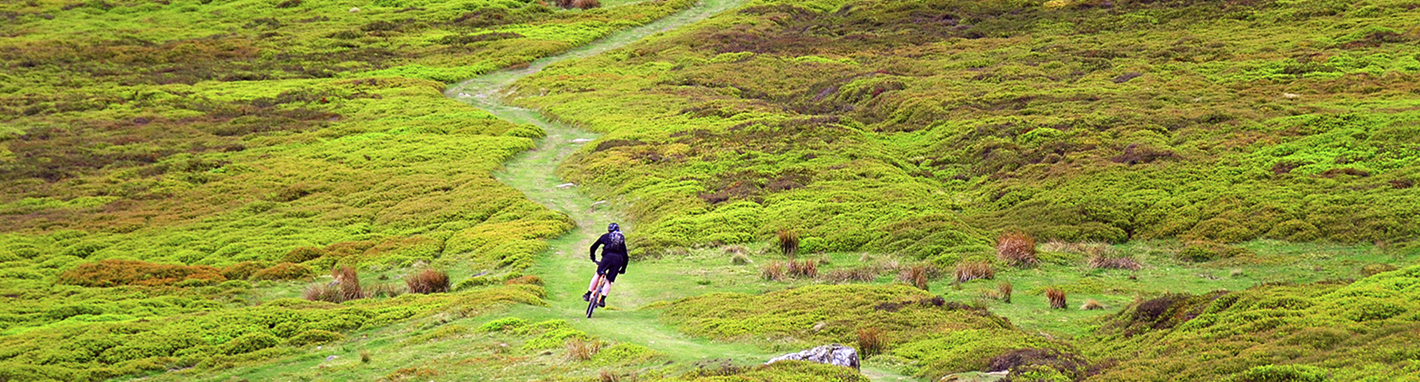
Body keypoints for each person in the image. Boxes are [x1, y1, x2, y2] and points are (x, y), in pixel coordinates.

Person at [584, 222, 628, 308]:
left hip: (607, 258)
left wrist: (593, 257)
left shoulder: (606, 236)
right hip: (618, 260)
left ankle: (588, 294)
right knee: (609, 280)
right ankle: (603, 300)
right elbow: (625, 256)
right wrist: (623, 269)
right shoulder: (621, 240)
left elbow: (593, 247)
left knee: (598, 274)